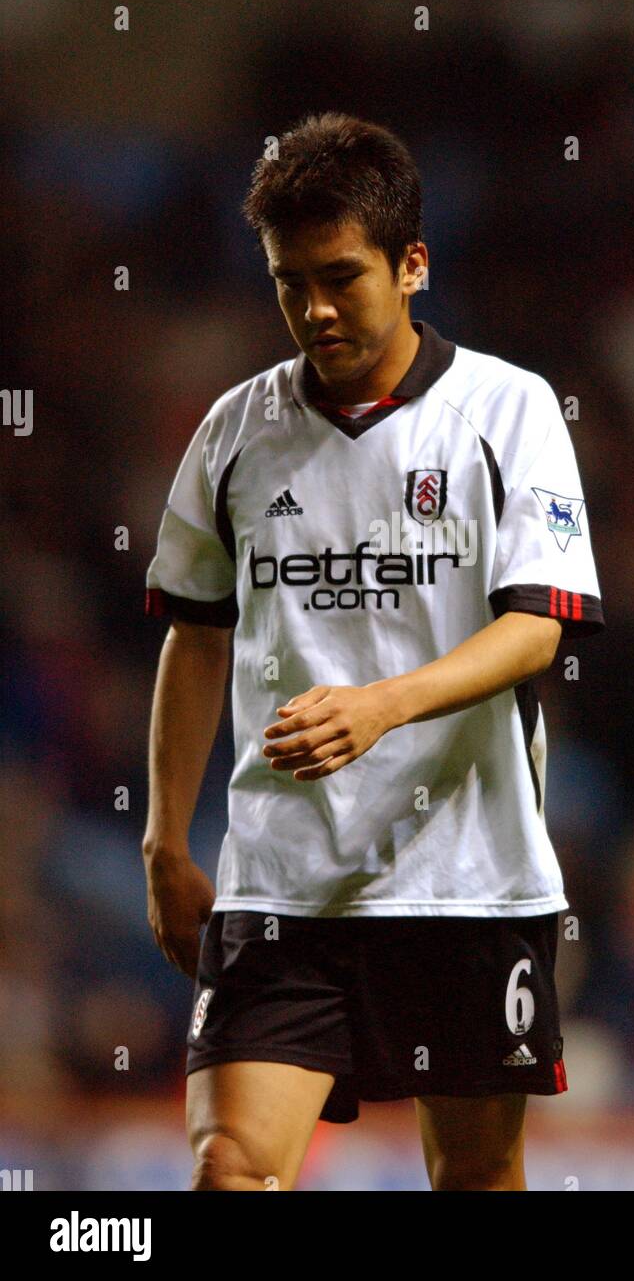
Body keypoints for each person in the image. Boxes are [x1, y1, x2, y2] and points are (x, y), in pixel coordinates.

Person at [143, 111, 604, 1191]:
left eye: (340, 276)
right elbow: (196, 637)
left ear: (412, 265)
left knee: (475, 1176)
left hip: (469, 878)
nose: (312, 308)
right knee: (228, 1167)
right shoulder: (234, 432)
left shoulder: (507, 410)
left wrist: (381, 706)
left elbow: (536, 626)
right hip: (282, 884)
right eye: (286, 280)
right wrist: (165, 838)